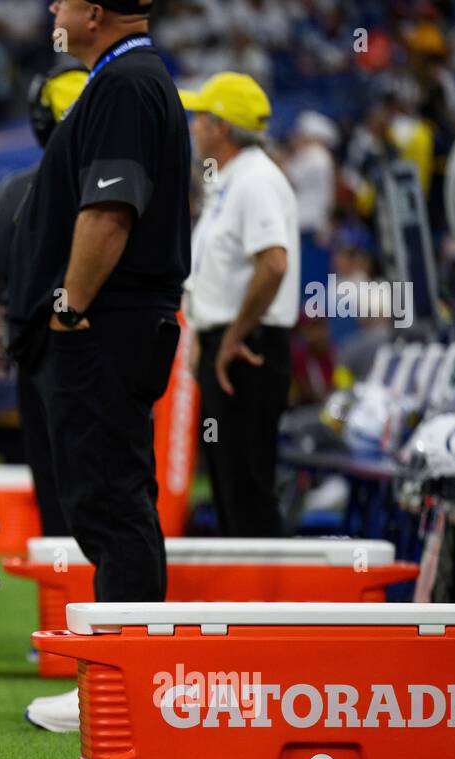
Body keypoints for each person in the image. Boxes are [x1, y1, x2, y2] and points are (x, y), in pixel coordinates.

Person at [8, 0, 190, 603]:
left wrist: (68, 308)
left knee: (110, 502)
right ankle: (113, 673)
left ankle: (126, 679)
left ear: (93, 13)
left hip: (103, 324)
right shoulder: (121, 79)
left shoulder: (125, 83)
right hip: (106, 322)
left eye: (63, 0)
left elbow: (110, 212)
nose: (53, 9)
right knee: (102, 501)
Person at [0, 63, 87, 536]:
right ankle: (122, 605)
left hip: (40, 360)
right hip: (113, 361)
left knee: (55, 494)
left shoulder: (18, 190)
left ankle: (64, 605)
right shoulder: (128, 185)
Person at [181, 71, 298, 538]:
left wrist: (229, 338)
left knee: (246, 489)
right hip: (229, 345)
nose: (193, 126)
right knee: (230, 486)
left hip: (248, 349)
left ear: (222, 127)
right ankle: (246, 605)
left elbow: (273, 263)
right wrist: (205, 340)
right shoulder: (231, 182)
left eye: (200, 117)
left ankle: (264, 608)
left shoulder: (255, 181)